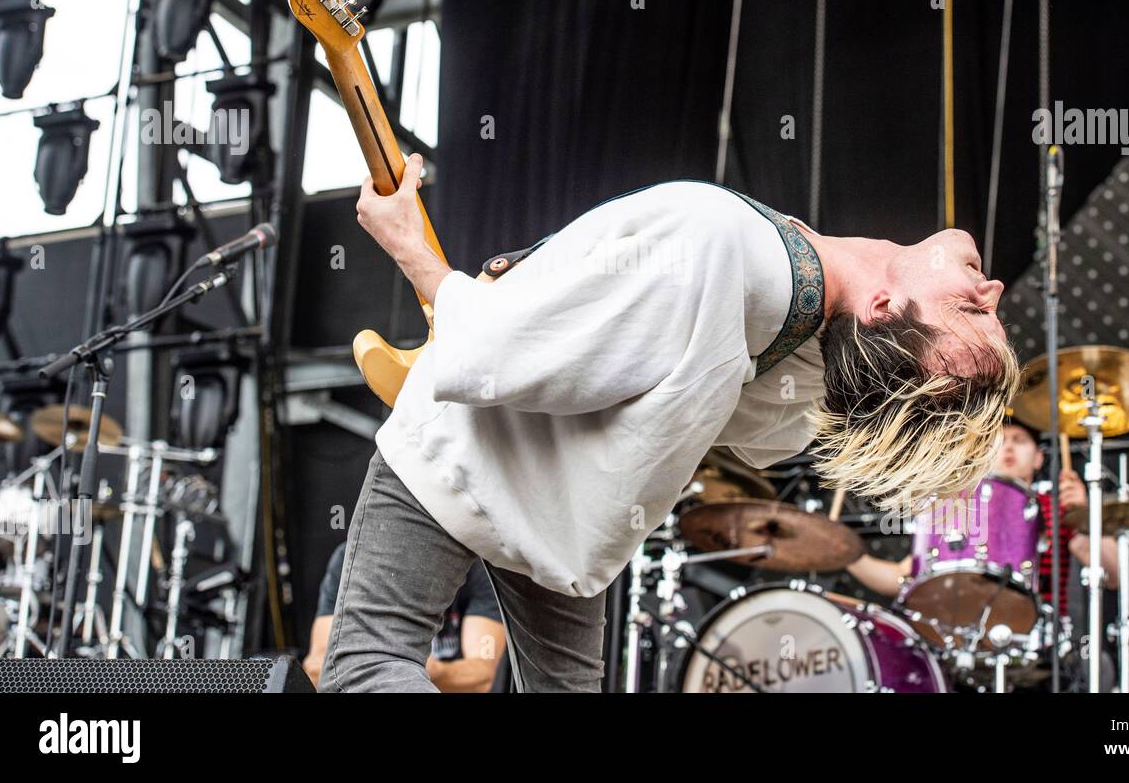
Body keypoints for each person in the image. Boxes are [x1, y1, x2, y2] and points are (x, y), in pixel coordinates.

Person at [322, 165, 1018, 692]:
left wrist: (410, 246)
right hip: (573, 531)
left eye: (973, 314)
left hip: (470, 455)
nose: (993, 292)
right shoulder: (804, 358)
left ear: (882, 304)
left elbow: (503, 347)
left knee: (368, 661)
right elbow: (745, 427)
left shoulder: (719, 242)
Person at [848, 420, 1120, 615]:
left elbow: (1115, 576)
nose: (1008, 447)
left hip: (1041, 640)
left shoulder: (1059, 506)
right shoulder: (959, 506)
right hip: (965, 630)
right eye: (998, 441)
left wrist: (1087, 516)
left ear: (1038, 458)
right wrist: (844, 553)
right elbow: (903, 577)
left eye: (1020, 440)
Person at [304, 542, 506, 692]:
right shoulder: (350, 559)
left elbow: (484, 675)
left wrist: (428, 670)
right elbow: (316, 668)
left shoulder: (476, 566)